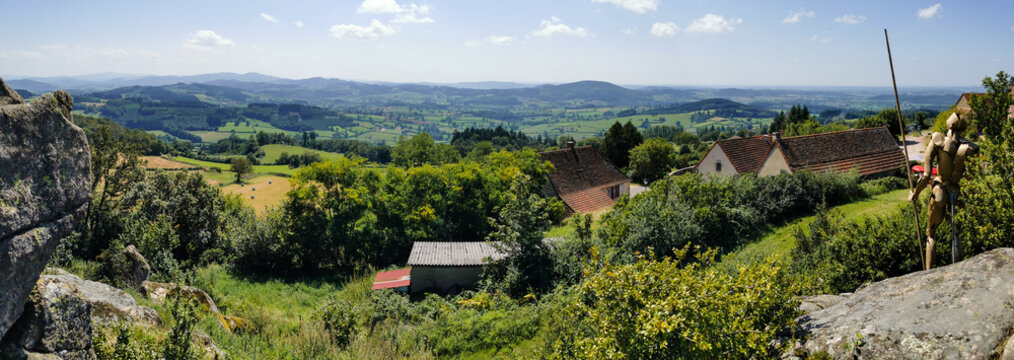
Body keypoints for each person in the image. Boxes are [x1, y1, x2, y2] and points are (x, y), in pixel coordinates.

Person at [909, 113, 978, 270]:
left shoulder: (937, 139)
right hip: (955, 191)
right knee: (956, 234)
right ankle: (957, 270)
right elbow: (971, 177)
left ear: (948, 126)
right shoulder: (970, 147)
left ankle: (928, 272)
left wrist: (915, 193)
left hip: (939, 191)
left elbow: (926, 175)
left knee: (931, 234)